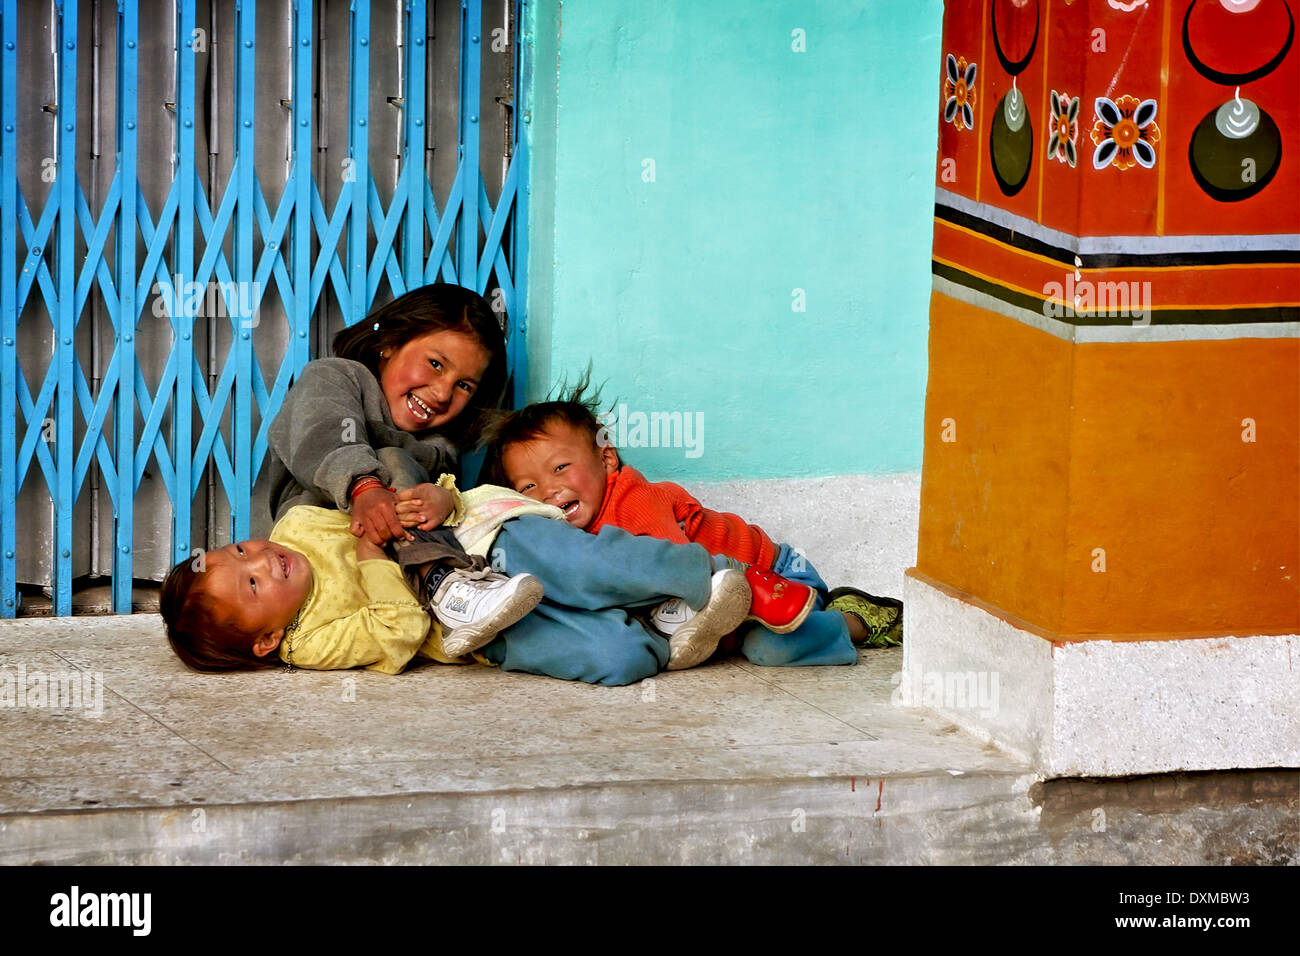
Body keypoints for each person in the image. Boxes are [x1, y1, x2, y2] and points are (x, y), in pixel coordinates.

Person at [483, 375, 904, 669]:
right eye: (528, 487)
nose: (548, 492)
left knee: (771, 647)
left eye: (560, 468)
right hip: (730, 606)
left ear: (607, 459)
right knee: (751, 646)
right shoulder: (570, 538)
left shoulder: (633, 498)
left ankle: (858, 619)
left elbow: (676, 567)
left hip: (775, 578)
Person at [161, 484, 753, 682]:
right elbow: (402, 627)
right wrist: (370, 554)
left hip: (480, 546)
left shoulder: (299, 523)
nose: (263, 559)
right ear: (266, 640)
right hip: (479, 631)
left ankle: (700, 575)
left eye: (241, 549)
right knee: (611, 656)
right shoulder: (310, 641)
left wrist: (437, 494)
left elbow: (397, 505)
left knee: (587, 568)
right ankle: (664, 635)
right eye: (253, 586)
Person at [250, 282, 537, 645]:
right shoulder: (336, 377)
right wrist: (364, 486)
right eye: (435, 364)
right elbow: (322, 431)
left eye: (464, 385)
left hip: (390, 590)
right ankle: (443, 583)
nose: (442, 393)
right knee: (391, 459)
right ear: (390, 343)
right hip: (321, 554)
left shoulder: (440, 445)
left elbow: (446, 499)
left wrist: (441, 500)